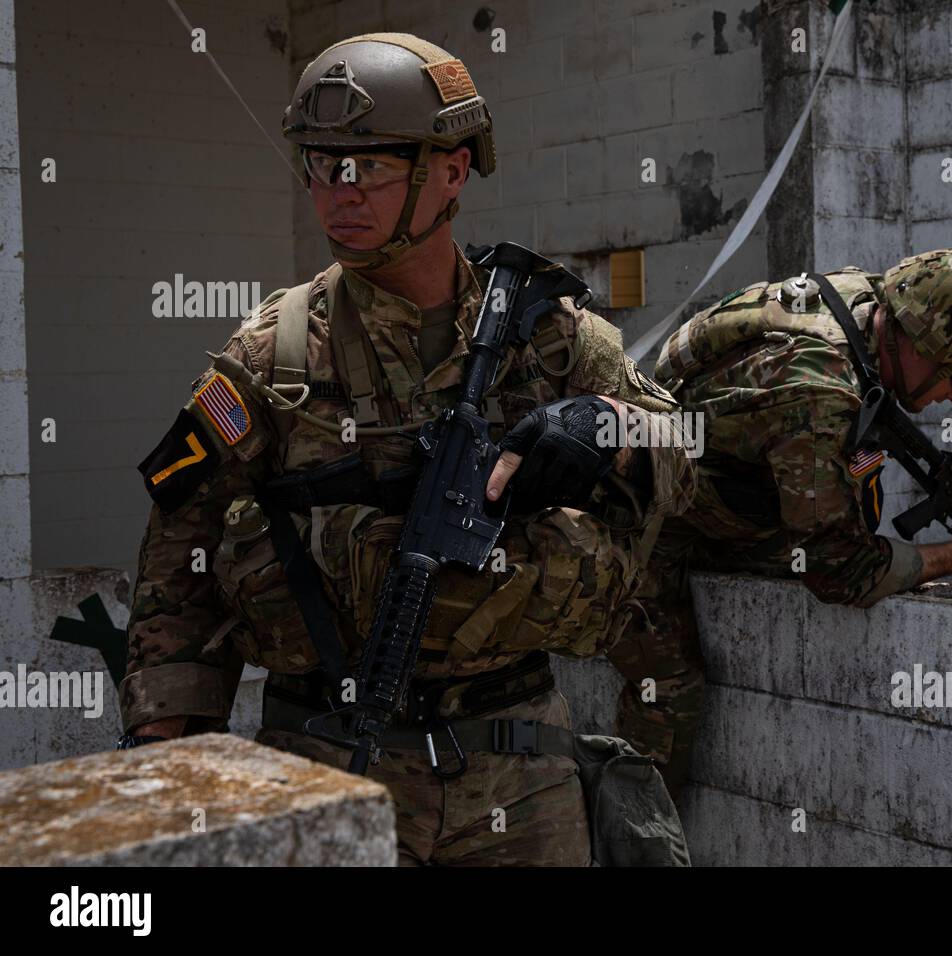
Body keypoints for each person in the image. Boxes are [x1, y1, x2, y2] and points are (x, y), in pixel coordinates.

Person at [118, 33, 694, 866]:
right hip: (325, 754)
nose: (335, 195)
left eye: (367, 169)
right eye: (320, 167)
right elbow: (180, 560)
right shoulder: (269, 357)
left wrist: (605, 425)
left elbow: (683, 449)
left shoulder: (553, 340)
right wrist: (164, 756)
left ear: (451, 172)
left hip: (517, 767)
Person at [607, 249, 952, 797]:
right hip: (646, 516)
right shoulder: (821, 389)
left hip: (711, 467)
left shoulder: (865, 301)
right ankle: (633, 839)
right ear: (921, 342)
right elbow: (838, 572)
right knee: (669, 694)